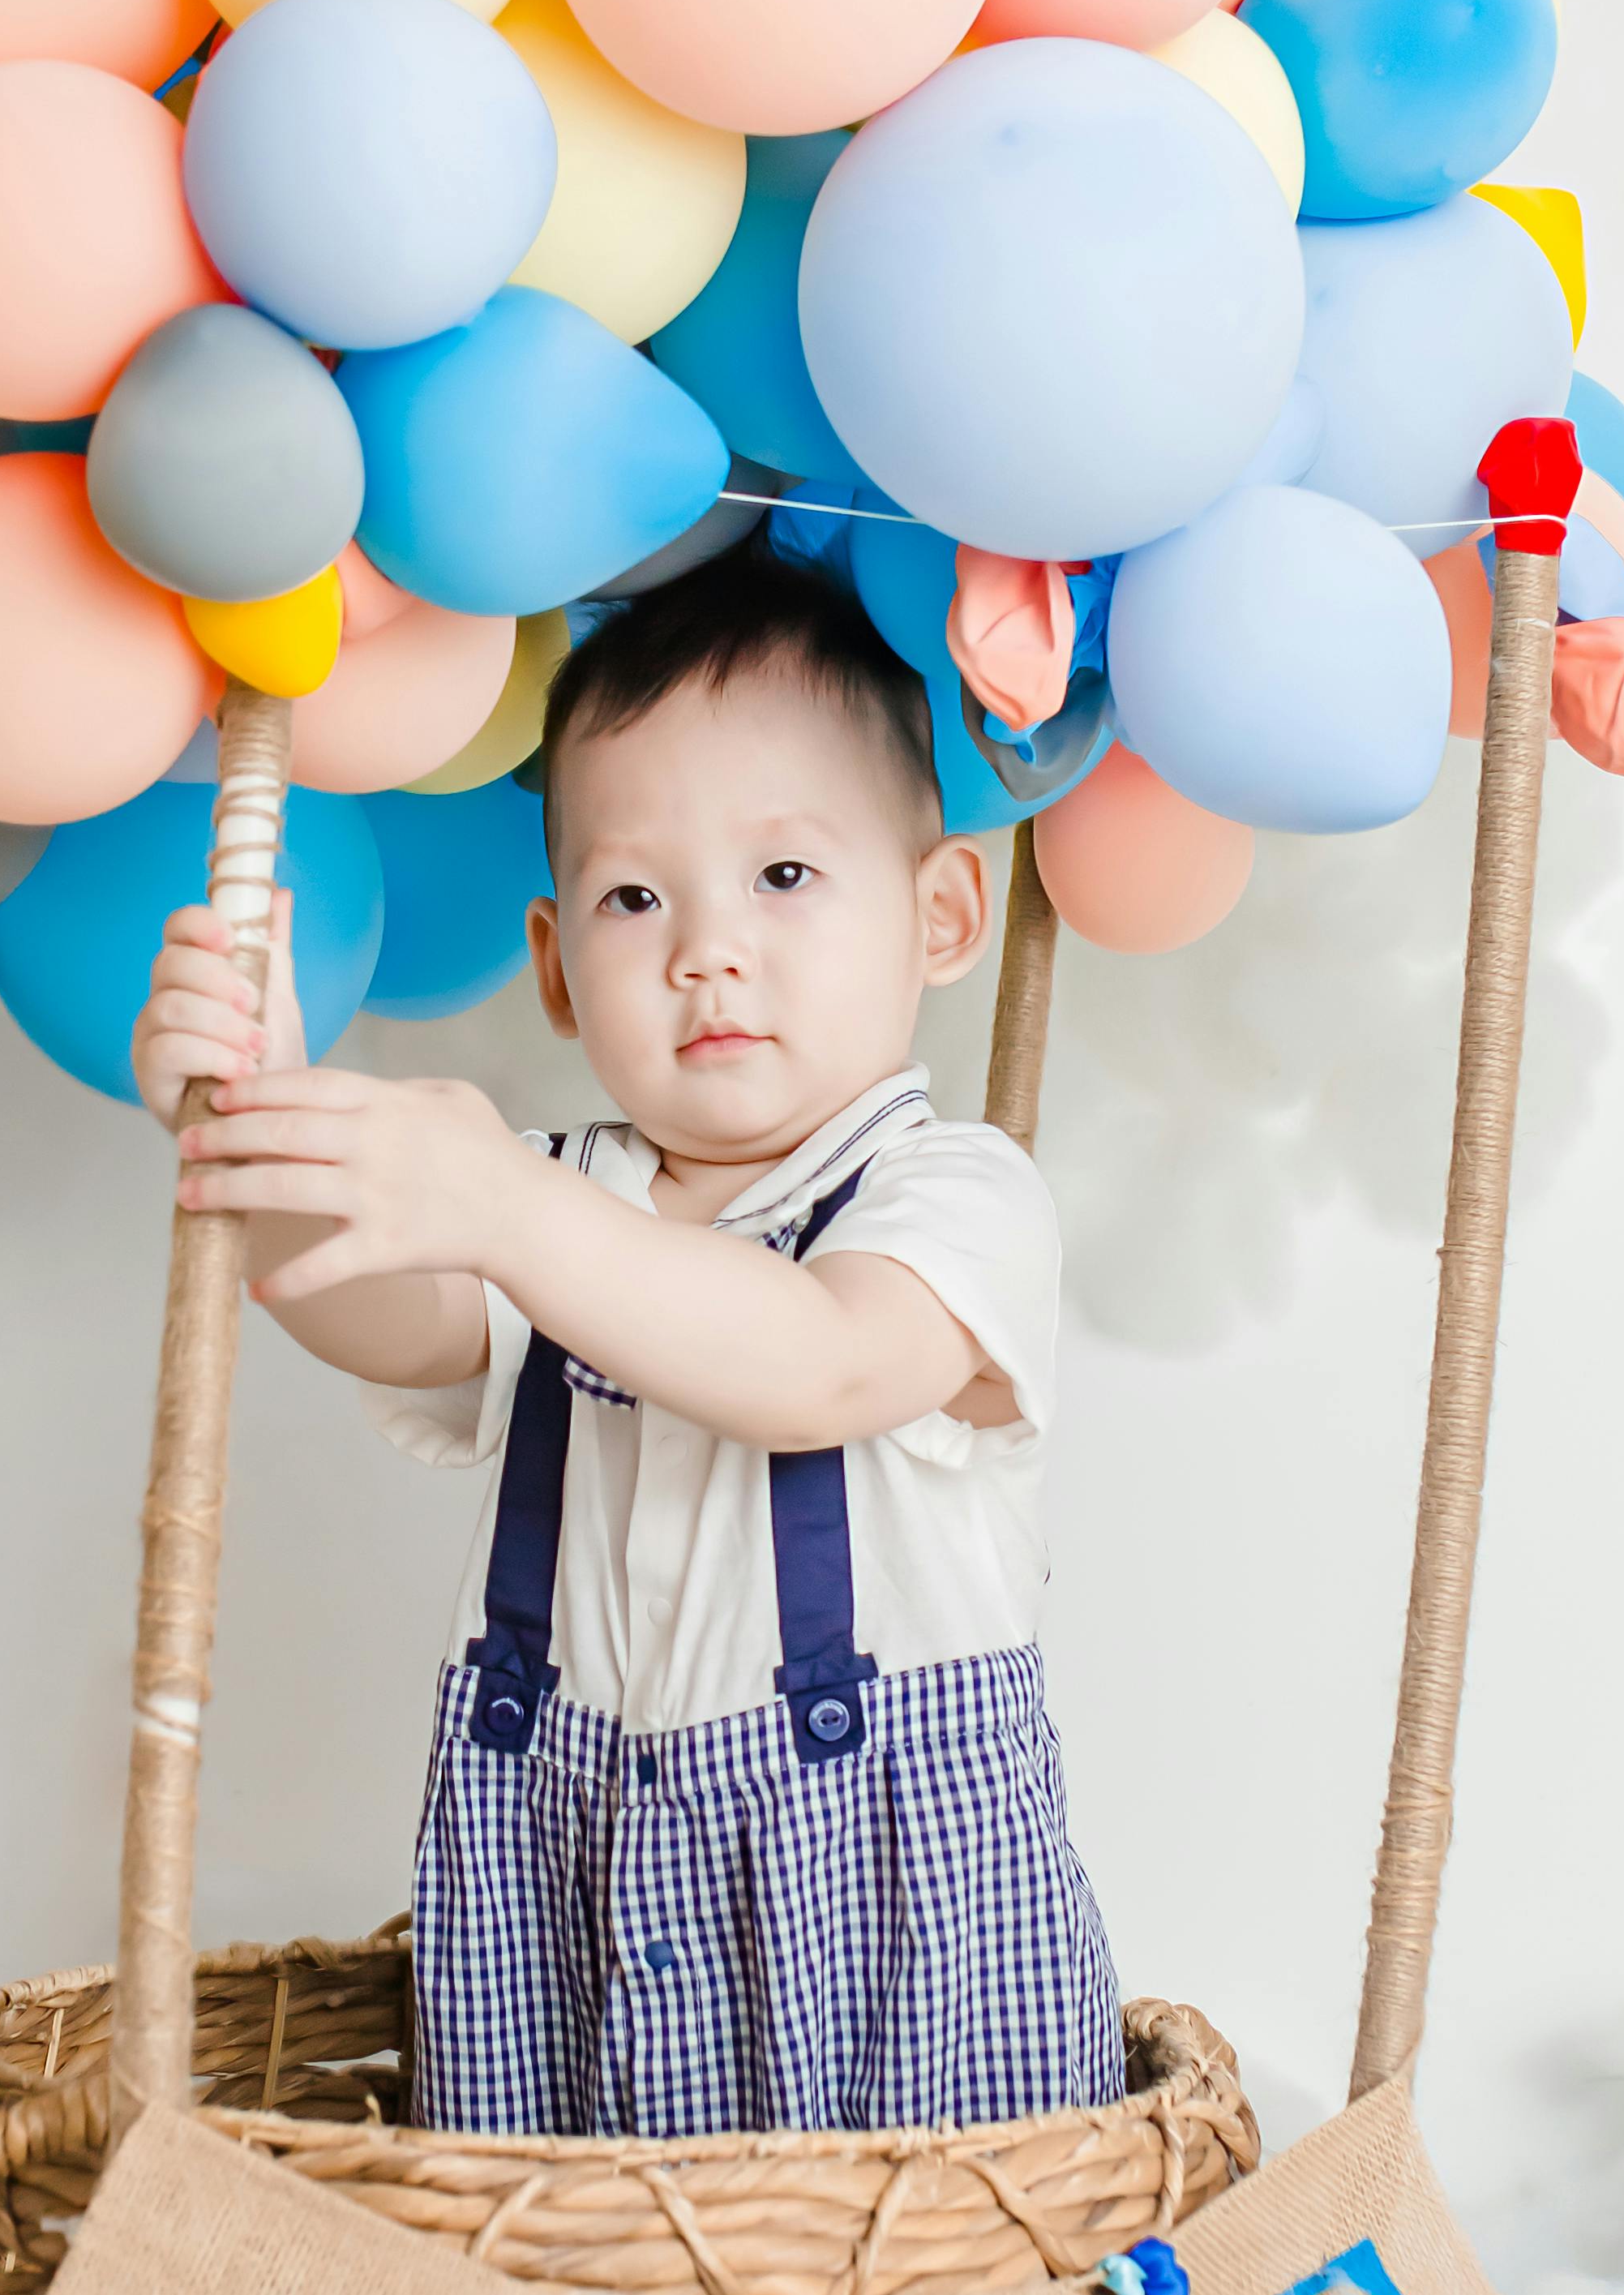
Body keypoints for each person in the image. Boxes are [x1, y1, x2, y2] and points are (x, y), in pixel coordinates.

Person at [132, 548, 1121, 2142]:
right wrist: (266, 1134)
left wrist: (499, 1210)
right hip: (572, 1894)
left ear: (942, 915)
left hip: (890, 1947)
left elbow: (821, 1367)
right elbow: (390, 1316)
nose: (705, 949)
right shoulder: (560, 1194)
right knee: (574, 2286)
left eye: (784, 878)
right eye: (634, 896)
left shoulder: (956, 1194)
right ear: (553, 968)